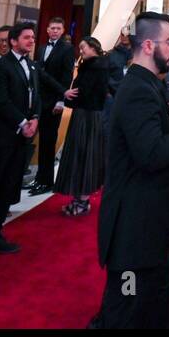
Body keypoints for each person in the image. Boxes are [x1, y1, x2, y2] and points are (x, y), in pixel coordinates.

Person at [94, 12, 169, 328]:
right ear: (148, 45)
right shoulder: (139, 89)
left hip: (146, 220)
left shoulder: (146, 84)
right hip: (135, 223)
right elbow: (151, 154)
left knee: (149, 300)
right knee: (129, 305)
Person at [0, 23, 65, 269]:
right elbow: (1, 100)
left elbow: (36, 96)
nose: (31, 41)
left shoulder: (31, 65)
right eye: (27, 38)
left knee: (8, 187)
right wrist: (22, 122)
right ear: (14, 41)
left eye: (32, 37)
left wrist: (36, 119)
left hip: (21, 137)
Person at [56, 37, 108, 216]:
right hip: (86, 115)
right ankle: (80, 199)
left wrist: (69, 96)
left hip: (87, 116)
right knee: (83, 157)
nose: (81, 51)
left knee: (84, 158)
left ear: (93, 47)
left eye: (83, 47)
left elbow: (84, 91)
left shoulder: (95, 67)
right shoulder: (93, 65)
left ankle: (82, 201)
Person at [31, 18, 75, 194]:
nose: (55, 31)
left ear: (63, 30)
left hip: (54, 100)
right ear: (47, 30)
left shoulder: (67, 49)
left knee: (49, 142)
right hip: (39, 100)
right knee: (38, 141)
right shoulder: (41, 48)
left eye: (58, 28)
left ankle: (47, 180)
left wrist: (61, 101)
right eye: (52, 28)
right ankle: (39, 178)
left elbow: (67, 76)